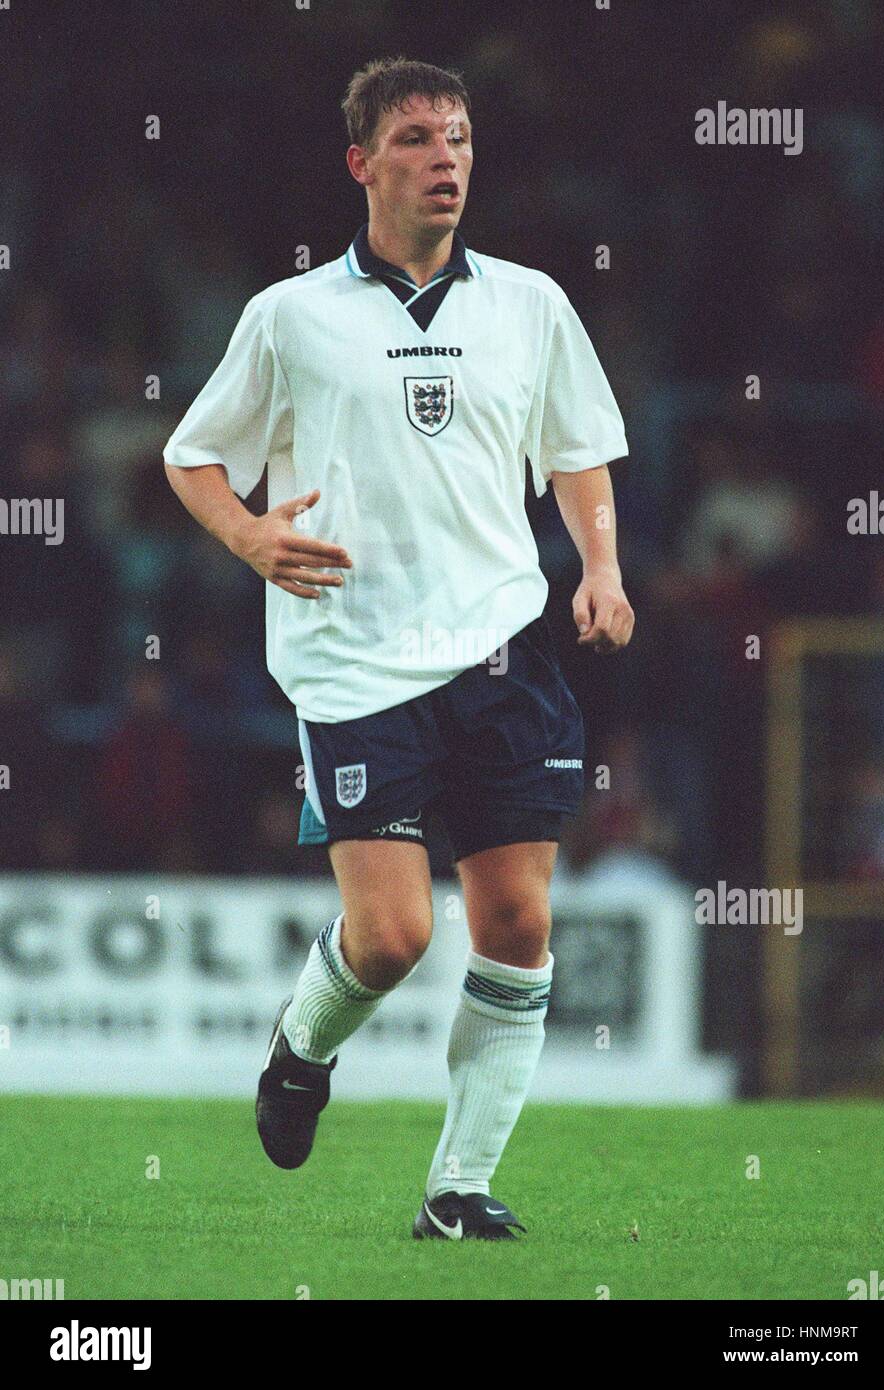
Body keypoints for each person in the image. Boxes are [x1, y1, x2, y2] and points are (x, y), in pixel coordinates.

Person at [164, 56, 633, 1241]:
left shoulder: (527, 303)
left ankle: (455, 1189)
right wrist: (250, 537)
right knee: (392, 937)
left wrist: (602, 567)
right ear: (360, 163)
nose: (446, 159)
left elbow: (577, 448)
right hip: (356, 659)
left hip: (502, 647)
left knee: (517, 923)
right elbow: (191, 453)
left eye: (461, 138)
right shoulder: (292, 317)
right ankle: (300, 1045)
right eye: (419, 139)